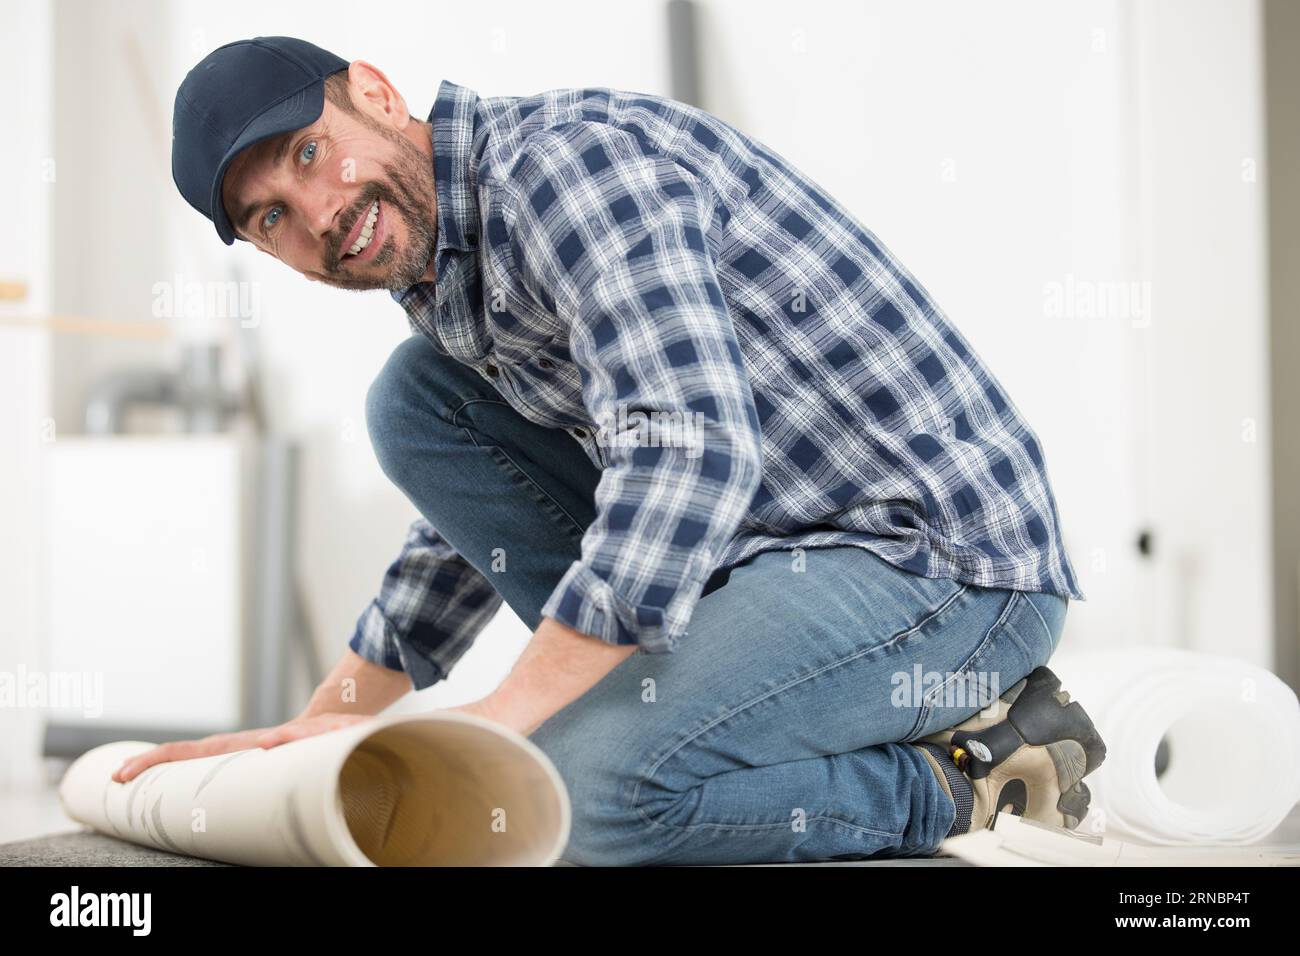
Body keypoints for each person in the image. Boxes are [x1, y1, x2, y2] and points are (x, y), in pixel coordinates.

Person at [114, 36, 1105, 865]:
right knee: (414, 401)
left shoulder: (565, 172)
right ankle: (723, 714)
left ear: (374, 93)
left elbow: (684, 451)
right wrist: (321, 716)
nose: (319, 212)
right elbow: (462, 535)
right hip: (762, 557)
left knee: (578, 798)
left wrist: (504, 716)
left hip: (934, 562)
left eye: (305, 153)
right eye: (270, 216)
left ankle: (964, 773)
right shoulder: (448, 273)